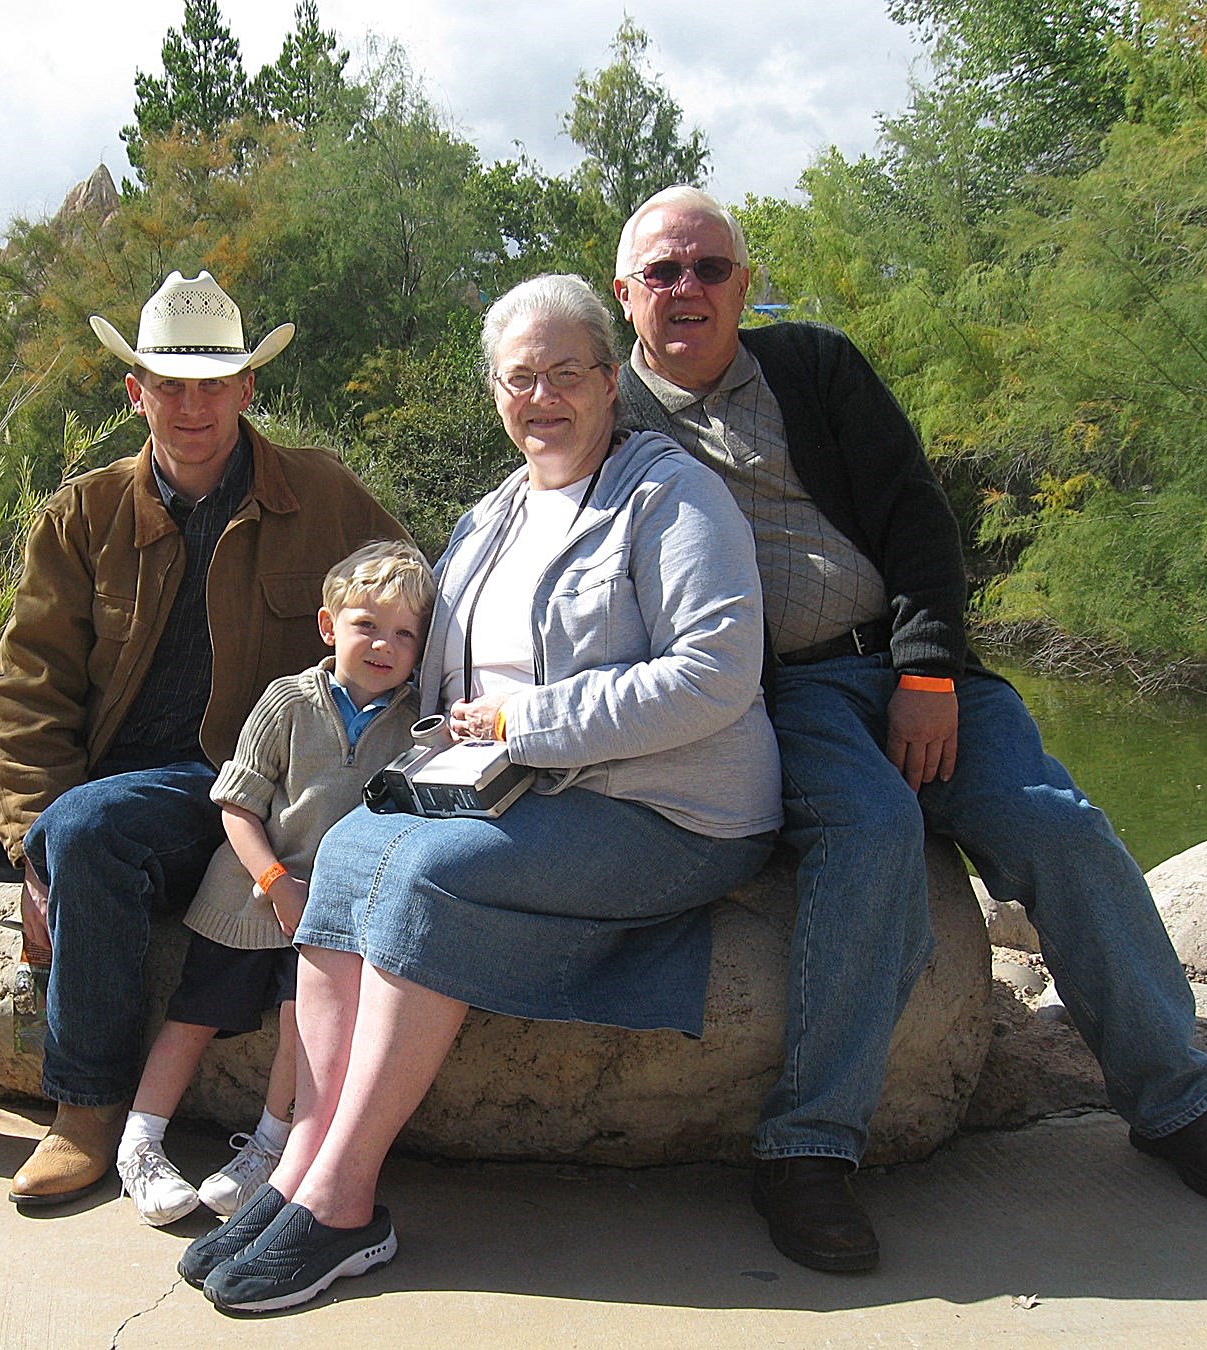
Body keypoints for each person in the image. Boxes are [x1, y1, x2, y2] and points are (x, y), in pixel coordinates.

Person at [610, 185, 1207, 1273]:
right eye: (663, 271)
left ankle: (1176, 1104)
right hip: (781, 698)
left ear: (744, 287)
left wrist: (928, 673)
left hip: (911, 666)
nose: (687, 288)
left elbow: (916, 516)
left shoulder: (814, 368)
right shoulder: (610, 414)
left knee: (1056, 826)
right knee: (868, 838)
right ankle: (808, 1151)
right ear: (625, 295)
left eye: (710, 268)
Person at [183, 273, 783, 1314]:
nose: (541, 396)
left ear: (610, 379)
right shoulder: (491, 516)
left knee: (426, 876)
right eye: (519, 379)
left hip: (671, 807)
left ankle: (344, 1203)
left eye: (565, 373)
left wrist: (524, 724)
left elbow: (713, 675)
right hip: (514, 795)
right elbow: (439, 685)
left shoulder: (674, 495)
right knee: (354, 855)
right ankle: (299, 1162)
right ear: (496, 395)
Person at [0, 271, 406, 1210]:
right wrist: (32, 843)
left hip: (221, 792)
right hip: (86, 787)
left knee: (92, 827)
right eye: (169, 384)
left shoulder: (323, 497)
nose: (192, 405)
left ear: (247, 391)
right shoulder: (82, 514)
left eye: (213, 382)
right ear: (134, 392)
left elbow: (410, 606)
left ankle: (89, 1108)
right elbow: (21, 690)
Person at [115, 540, 435, 1226]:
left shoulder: (414, 722)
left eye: (405, 634)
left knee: (304, 1027)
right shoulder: (288, 701)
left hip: (333, 911)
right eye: (367, 625)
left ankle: (267, 1148)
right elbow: (236, 802)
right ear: (329, 626)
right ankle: (140, 1142)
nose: (384, 644)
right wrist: (274, 879)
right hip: (247, 892)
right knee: (195, 1014)